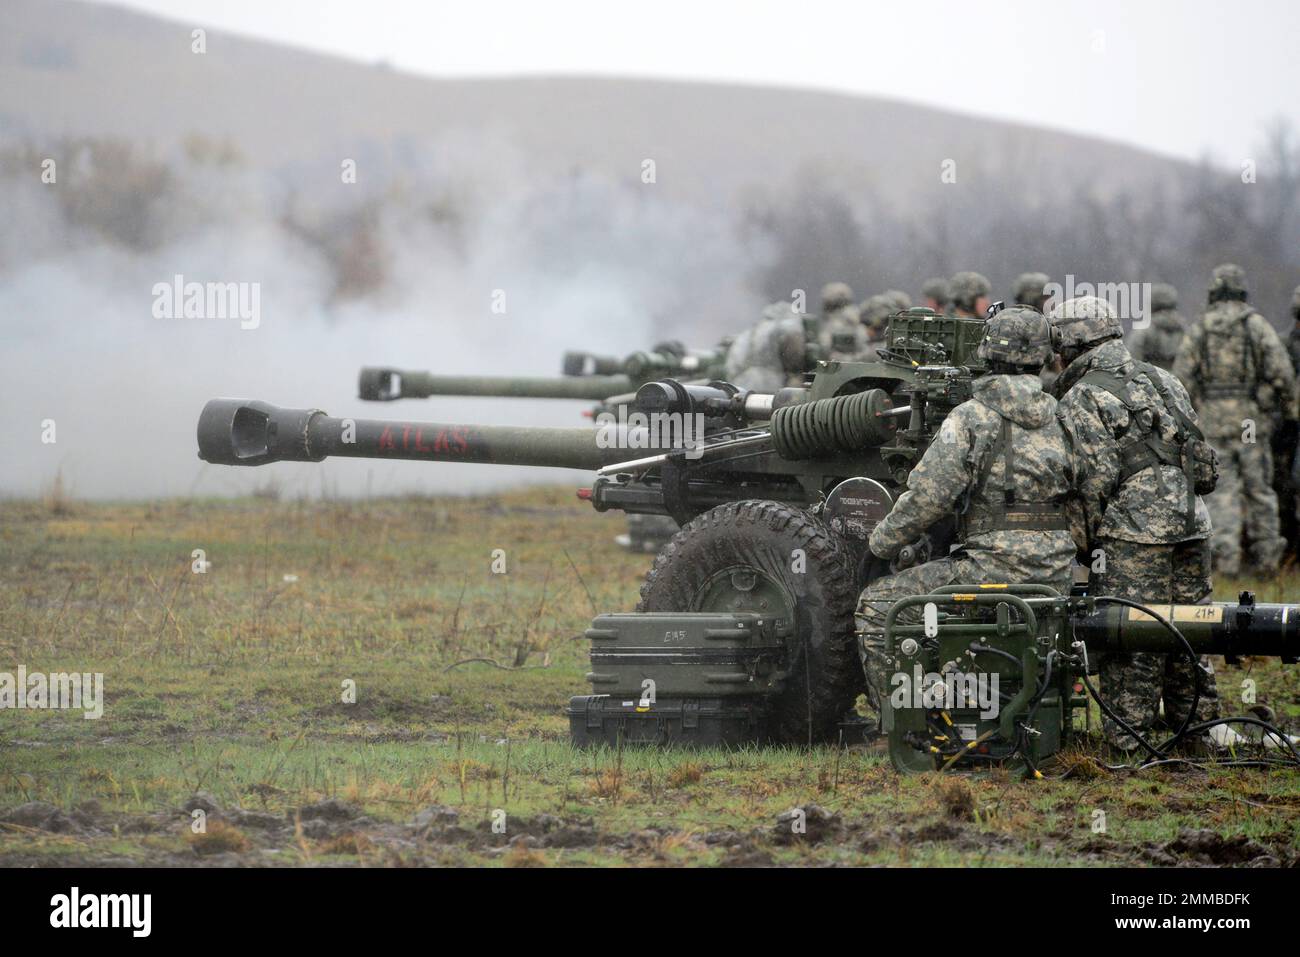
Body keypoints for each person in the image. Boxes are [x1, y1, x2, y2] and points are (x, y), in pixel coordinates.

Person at [855, 306, 1075, 708]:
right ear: (1043, 356)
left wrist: (879, 546)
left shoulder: (970, 418)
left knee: (878, 605)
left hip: (993, 570)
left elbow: (928, 498)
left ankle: (904, 722)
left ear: (987, 351)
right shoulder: (1062, 417)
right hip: (1057, 573)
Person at [1049, 295, 1221, 752]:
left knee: (1133, 634)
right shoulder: (1164, 379)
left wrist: (1080, 551)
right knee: (1191, 629)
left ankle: (1133, 742)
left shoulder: (1082, 396)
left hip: (1132, 532)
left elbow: (1090, 484)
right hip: (1193, 523)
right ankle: (1198, 732)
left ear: (1069, 344)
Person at [1172, 264, 1297, 575]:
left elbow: (1181, 379)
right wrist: (1287, 410)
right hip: (1249, 424)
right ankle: (1268, 559)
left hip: (1213, 421)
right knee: (1259, 487)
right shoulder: (1256, 326)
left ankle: (1225, 560)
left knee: (1222, 490)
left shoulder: (1200, 328)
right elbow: (1281, 373)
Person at [724, 300, 812, 391]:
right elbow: (794, 353)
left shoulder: (747, 333)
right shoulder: (787, 325)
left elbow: (732, 367)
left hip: (740, 385)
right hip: (770, 385)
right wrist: (796, 373)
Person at [1128, 283, 1185, 372]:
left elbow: (1131, 364)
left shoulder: (1143, 331)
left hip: (1150, 382)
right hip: (1179, 383)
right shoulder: (1184, 331)